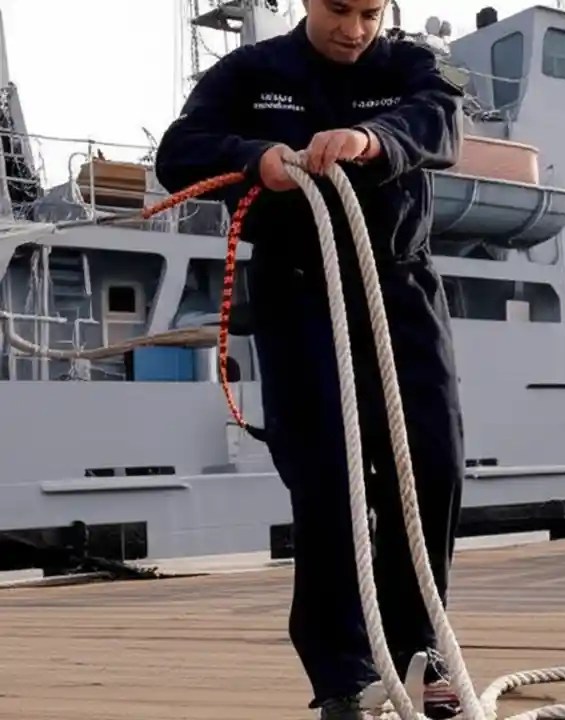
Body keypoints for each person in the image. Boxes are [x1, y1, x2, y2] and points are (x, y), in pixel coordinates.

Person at [153, 1, 467, 718]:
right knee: (327, 480)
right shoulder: (251, 72)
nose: (353, 29)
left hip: (398, 288)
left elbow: (441, 123)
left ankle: (424, 645)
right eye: (337, 9)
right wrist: (251, 159)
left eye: (369, 11)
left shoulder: (410, 64)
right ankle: (341, 676)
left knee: (430, 468)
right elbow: (180, 149)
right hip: (298, 292)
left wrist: (368, 138)